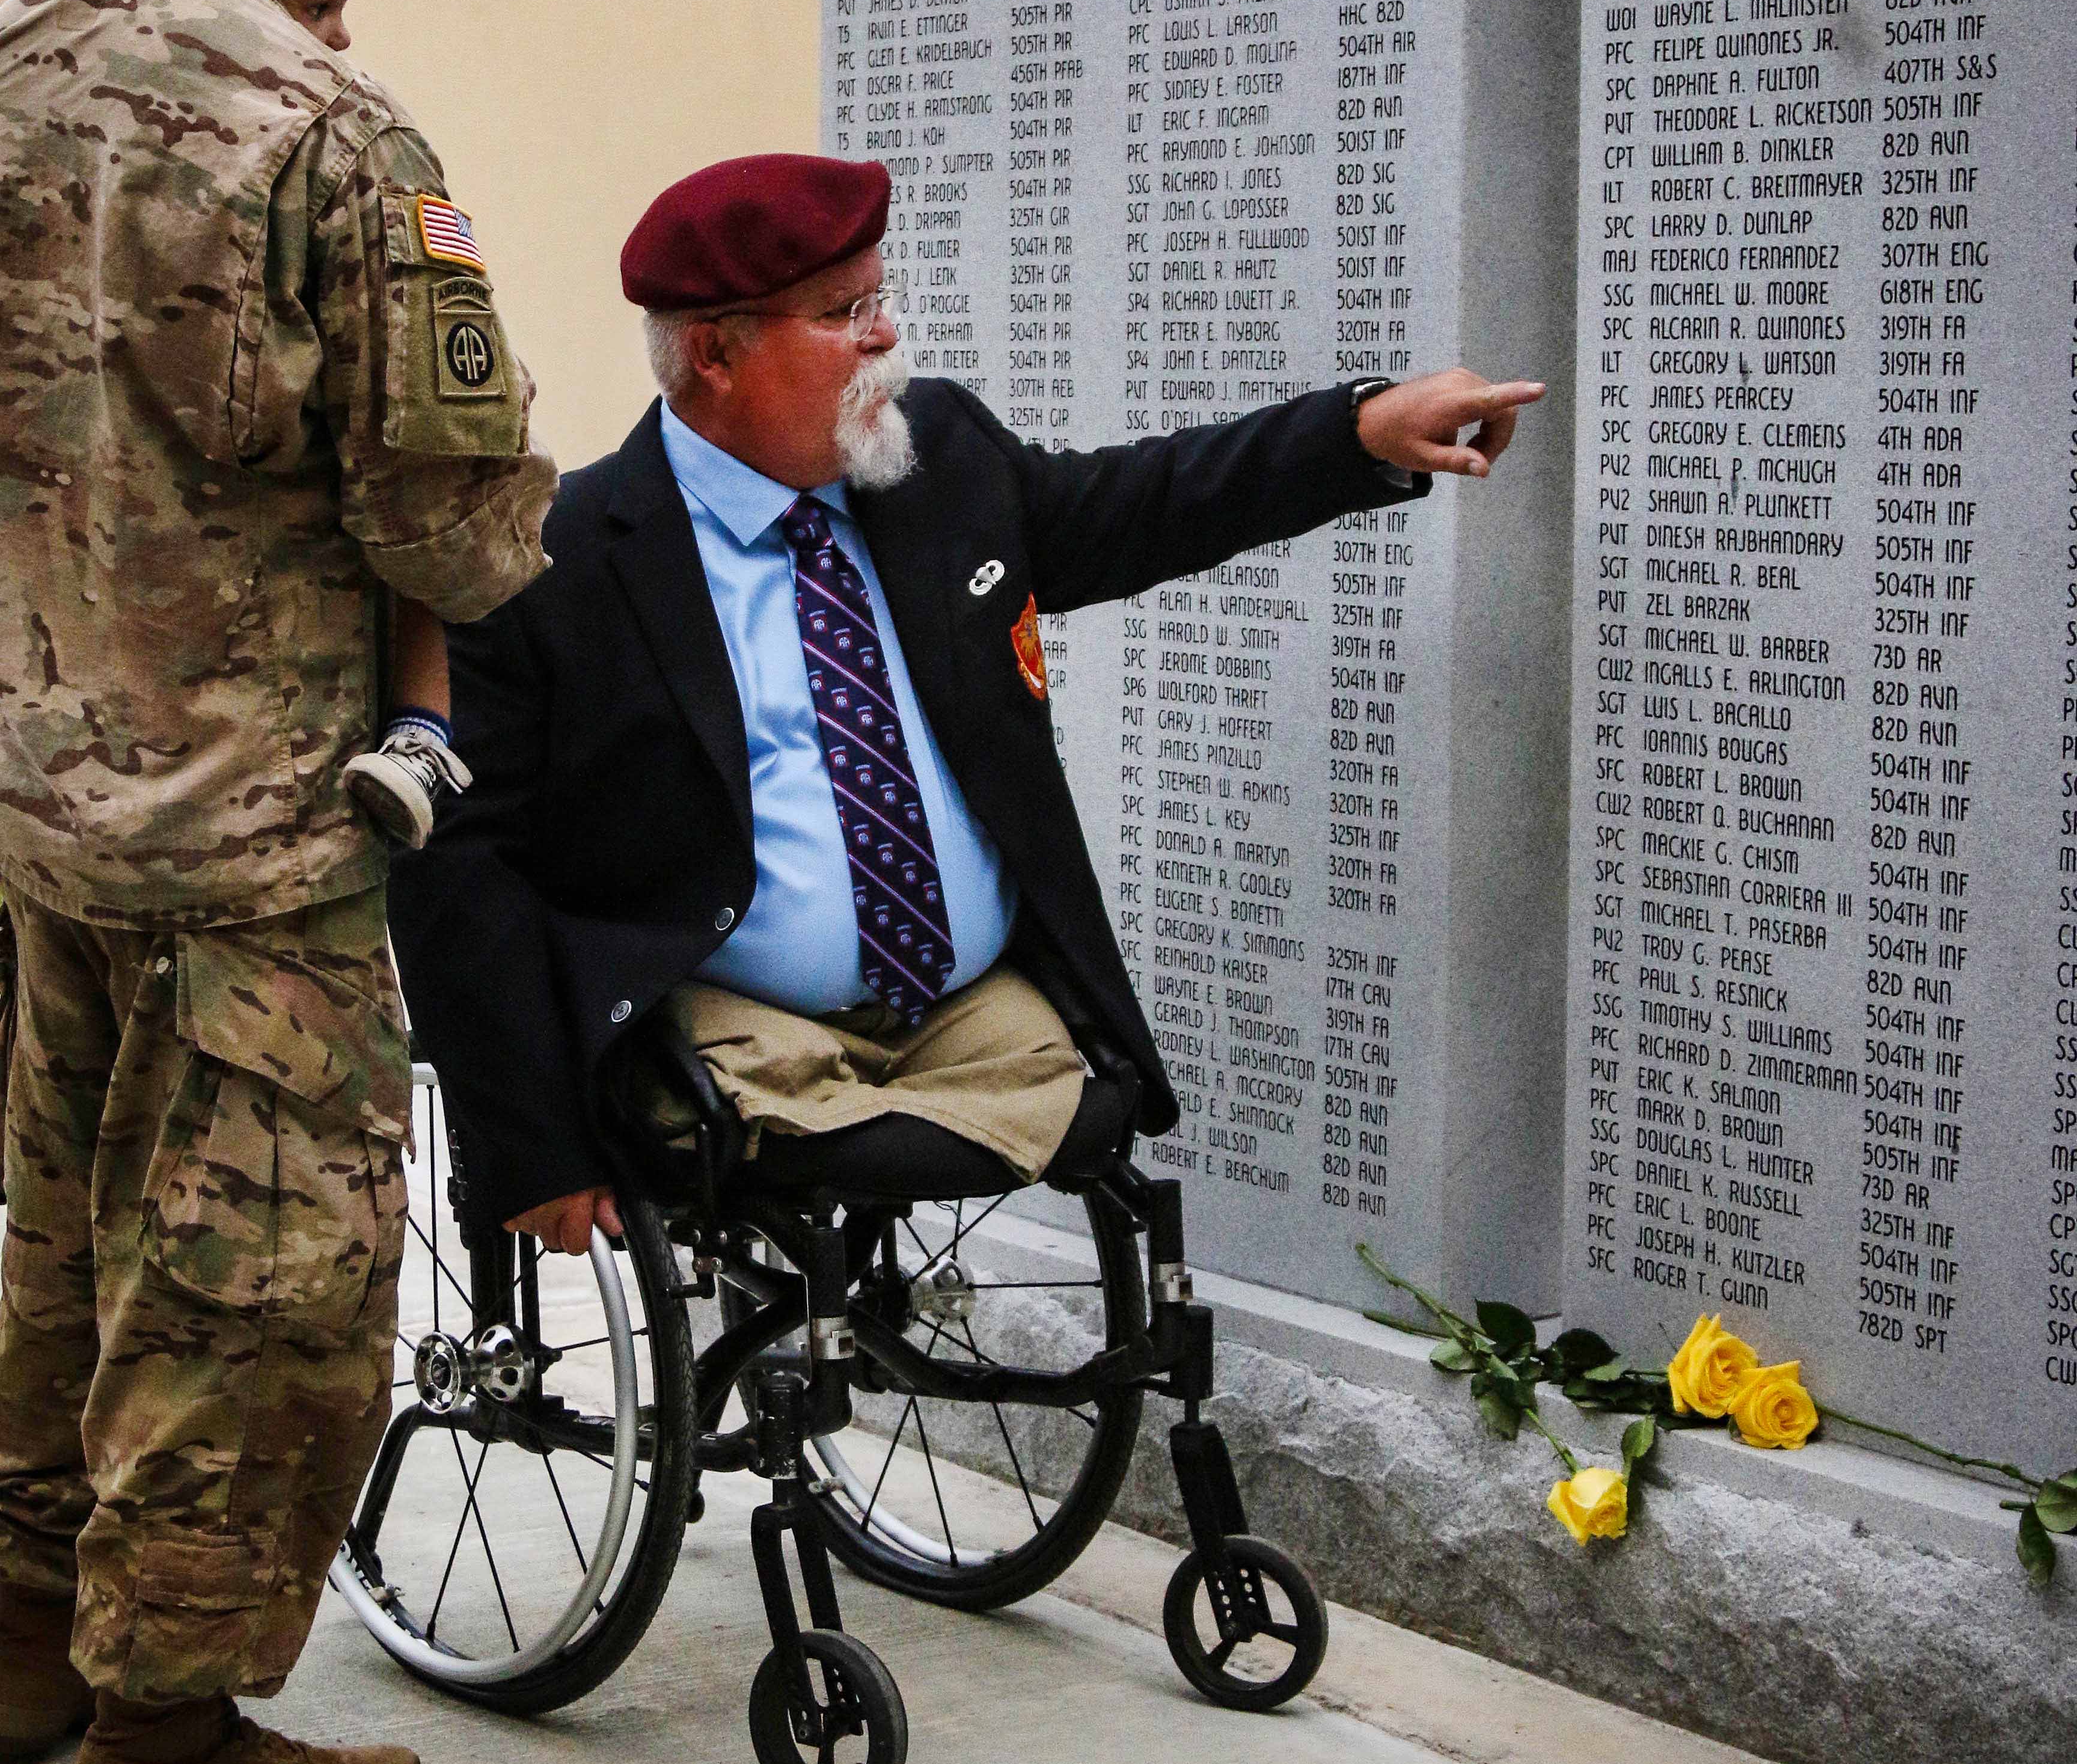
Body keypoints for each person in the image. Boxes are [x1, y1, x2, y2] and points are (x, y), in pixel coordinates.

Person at [0, 0, 556, 1764]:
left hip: (47, 799)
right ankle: (164, 1740)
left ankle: (19, 1627)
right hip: (258, 827)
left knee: (71, 1215)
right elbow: (447, 509)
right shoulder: (321, 125)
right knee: (257, 1281)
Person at [388, 151, 1540, 1260]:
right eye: (841, 313)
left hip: (969, 1008)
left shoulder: (939, 460)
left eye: (880, 297)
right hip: (733, 1026)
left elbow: (1142, 502)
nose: (885, 333)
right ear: (715, 356)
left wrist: (1356, 436)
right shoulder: (558, 564)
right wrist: (529, 1144)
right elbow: (459, 856)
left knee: (1106, 1118)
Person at [0, 0, 463, 856]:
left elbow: (423, 464)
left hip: (267, 647)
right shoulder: (93, 143)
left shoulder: (320, 153)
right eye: (316, 11)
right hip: (90, 632)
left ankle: (422, 730)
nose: (339, 39)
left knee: (401, 506)